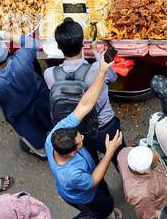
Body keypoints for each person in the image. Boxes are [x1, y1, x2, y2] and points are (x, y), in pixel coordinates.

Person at [47, 52, 124, 219]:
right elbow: (93, 181)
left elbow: (84, 104)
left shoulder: (59, 132)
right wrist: (109, 152)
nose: (82, 135)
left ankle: (105, 211)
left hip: (89, 180)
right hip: (83, 196)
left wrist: (101, 73)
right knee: (95, 210)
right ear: (73, 152)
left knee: (105, 198)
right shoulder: (70, 175)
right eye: (80, 140)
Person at [45, 21, 123, 159]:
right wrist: (96, 53)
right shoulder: (97, 68)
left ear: (58, 47)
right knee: (120, 157)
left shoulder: (50, 74)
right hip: (104, 125)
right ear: (82, 44)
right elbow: (113, 77)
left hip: (77, 133)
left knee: (90, 163)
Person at [118, 144, 167, 219]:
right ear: (143, 171)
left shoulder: (125, 153)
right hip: (161, 205)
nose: (156, 154)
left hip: (162, 192)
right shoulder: (141, 194)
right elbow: (148, 214)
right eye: (153, 160)